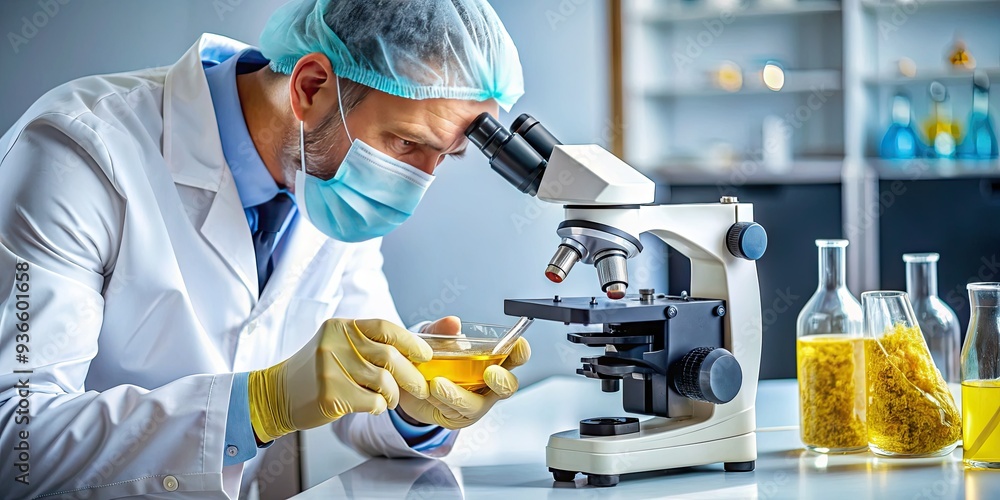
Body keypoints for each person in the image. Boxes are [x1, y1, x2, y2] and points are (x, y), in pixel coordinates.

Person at [0, 0, 530, 497]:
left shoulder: (332, 189)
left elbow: (357, 398)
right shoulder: (77, 153)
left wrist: (414, 402)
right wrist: (259, 405)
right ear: (310, 86)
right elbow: (16, 443)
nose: (416, 182)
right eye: (406, 144)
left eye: (445, 156)